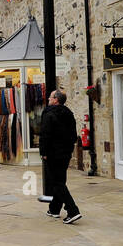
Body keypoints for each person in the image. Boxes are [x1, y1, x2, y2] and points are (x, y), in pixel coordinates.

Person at [38, 89, 82, 224]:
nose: (49, 99)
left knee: (56, 183)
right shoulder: (69, 114)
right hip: (65, 153)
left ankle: (72, 210)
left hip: (53, 153)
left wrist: (44, 152)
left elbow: (45, 135)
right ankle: (54, 209)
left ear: (56, 99)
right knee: (60, 180)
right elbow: (73, 135)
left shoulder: (49, 113)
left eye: (51, 97)